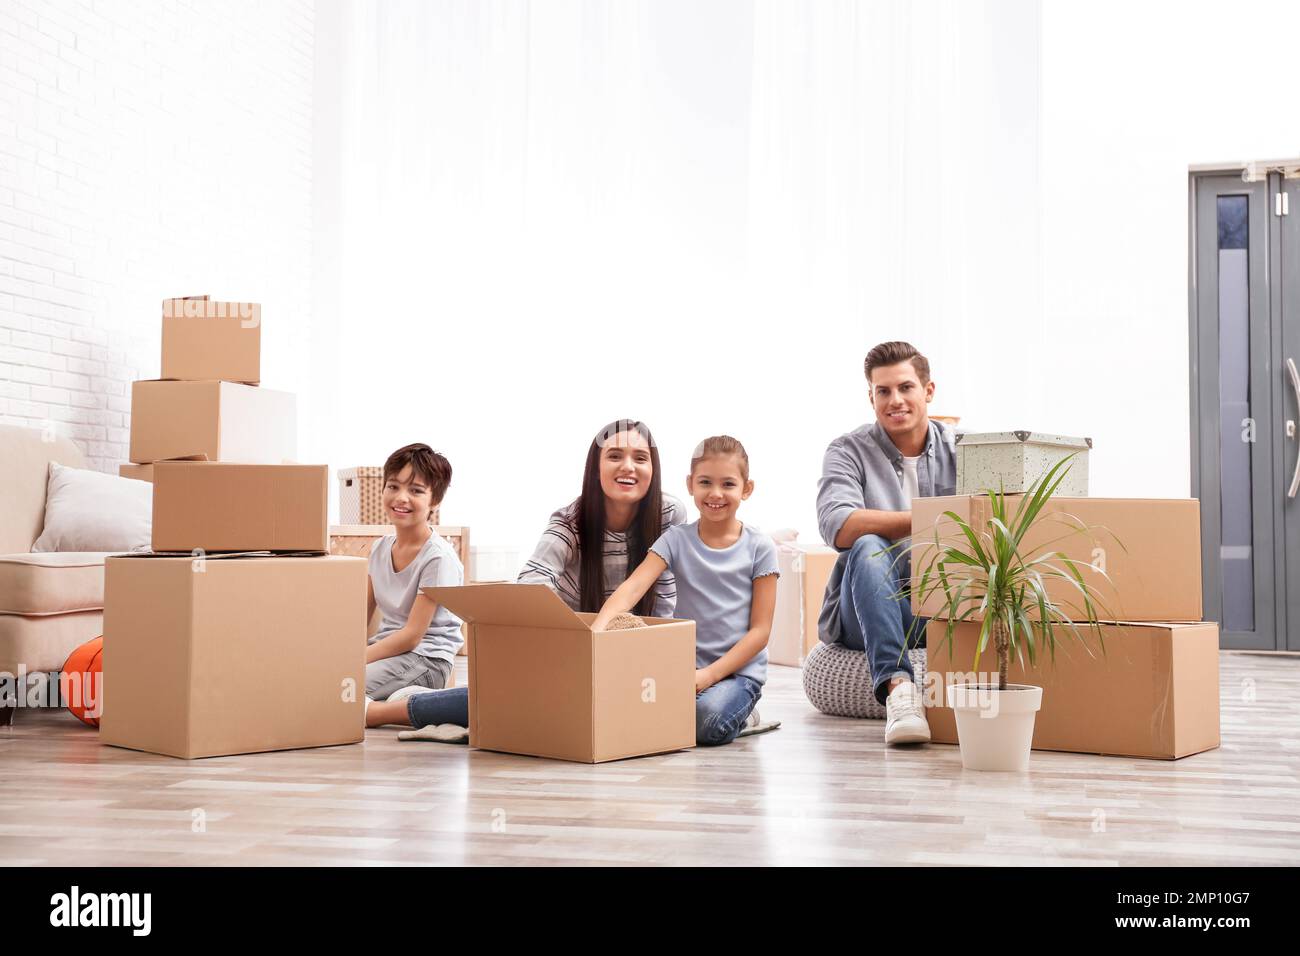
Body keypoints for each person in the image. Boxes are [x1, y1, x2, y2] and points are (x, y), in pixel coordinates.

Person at [365, 419, 685, 733]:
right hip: (575, 650)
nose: (628, 466)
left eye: (640, 458)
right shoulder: (571, 521)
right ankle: (383, 711)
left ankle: (420, 700)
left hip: (637, 648)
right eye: (614, 456)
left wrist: (653, 655)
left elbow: (658, 590)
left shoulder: (669, 513)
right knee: (512, 698)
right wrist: (580, 641)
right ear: (595, 467)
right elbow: (534, 578)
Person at [593, 435, 779, 746]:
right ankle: (690, 710)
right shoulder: (676, 539)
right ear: (691, 484)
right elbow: (633, 588)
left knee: (705, 722)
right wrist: (597, 630)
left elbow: (760, 631)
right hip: (683, 668)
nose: (716, 493)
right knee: (628, 709)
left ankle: (744, 715)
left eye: (728, 484)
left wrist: (708, 677)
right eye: (705, 482)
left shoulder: (760, 547)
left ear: (746, 489)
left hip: (737, 675)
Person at [815, 341, 956, 745]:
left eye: (905, 388)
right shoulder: (847, 450)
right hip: (864, 613)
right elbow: (839, 525)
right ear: (871, 396)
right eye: (883, 391)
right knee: (866, 544)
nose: (895, 400)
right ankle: (900, 692)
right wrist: (929, 520)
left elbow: (991, 521)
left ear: (928, 391)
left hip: (936, 612)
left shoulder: (962, 450)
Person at [364, 443, 464, 700]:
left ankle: (415, 704)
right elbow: (360, 616)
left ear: (435, 502)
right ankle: (403, 702)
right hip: (387, 652)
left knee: (338, 687)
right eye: (393, 486)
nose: (401, 498)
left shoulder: (438, 558)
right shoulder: (379, 549)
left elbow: (412, 636)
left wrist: (351, 661)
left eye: (416, 490)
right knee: (321, 678)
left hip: (427, 658)